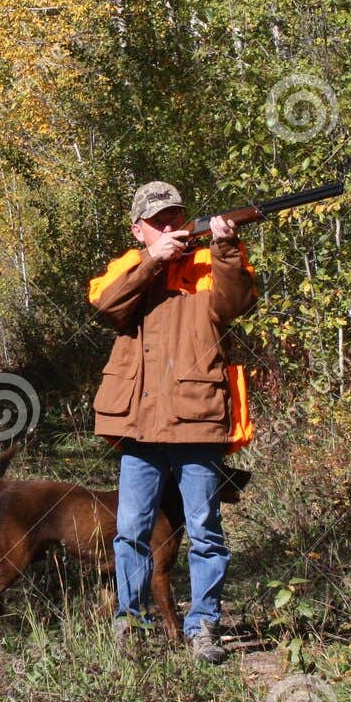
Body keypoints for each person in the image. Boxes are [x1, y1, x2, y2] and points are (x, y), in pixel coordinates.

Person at [87, 180, 257, 663]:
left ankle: (203, 627)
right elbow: (108, 305)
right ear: (138, 228)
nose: (170, 226)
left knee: (205, 530)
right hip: (138, 423)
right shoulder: (128, 265)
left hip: (196, 420)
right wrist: (154, 259)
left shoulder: (209, 261)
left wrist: (225, 245)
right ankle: (131, 622)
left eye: (176, 217)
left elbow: (234, 305)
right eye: (158, 220)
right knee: (131, 531)